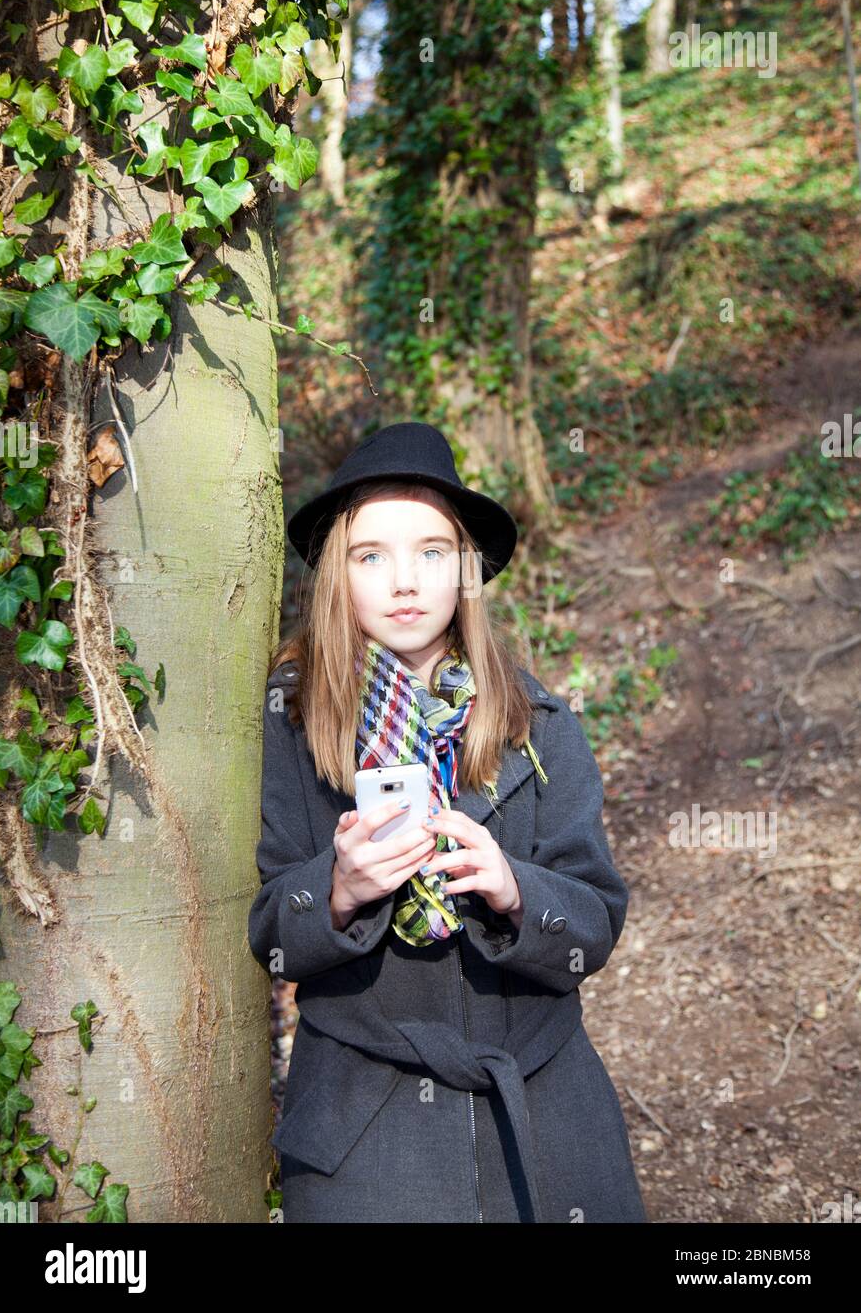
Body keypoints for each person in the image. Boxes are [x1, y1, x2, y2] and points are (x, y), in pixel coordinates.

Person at [248, 420, 648, 1224]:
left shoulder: (540, 721)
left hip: (544, 1114)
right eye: (372, 556)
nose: (405, 581)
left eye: (432, 552)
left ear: (464, 569)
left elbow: (594, 925)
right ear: (338, 574)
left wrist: (514, 889)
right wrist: (336, 891)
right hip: (365, 1128)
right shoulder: (290, 724)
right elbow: (269, 933)